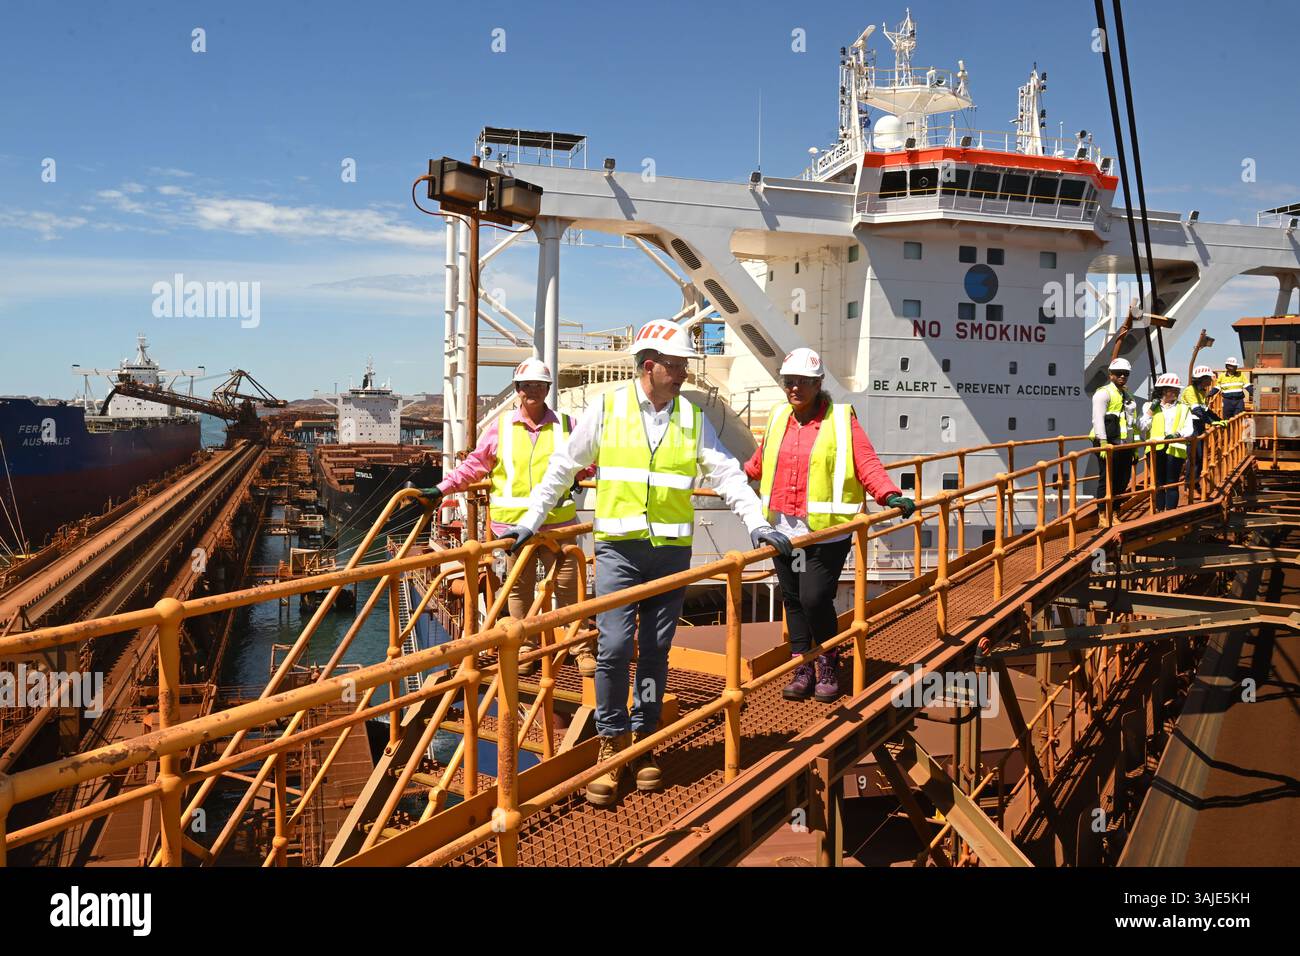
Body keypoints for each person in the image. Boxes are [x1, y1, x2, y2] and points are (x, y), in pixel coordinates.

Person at [496, 319, 793, 806]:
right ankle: (611, 744)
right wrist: (530, 521)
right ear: (649, 366)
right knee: (613, 647)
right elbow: (563, 467)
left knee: (655, 650)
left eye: (683, 366)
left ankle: (645, 738)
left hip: (671, 553)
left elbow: (727, 475)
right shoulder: (607, 410)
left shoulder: (692, 418)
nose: (682, 375)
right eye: (675, 366)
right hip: (619, 549)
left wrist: (758, 522)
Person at [743, 348, 913, 703]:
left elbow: (865, 461)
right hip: (783, 529)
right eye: (789, 382)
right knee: (792, 599)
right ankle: (802, 667)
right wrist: (731, 480)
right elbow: (759, 463)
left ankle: (828, 661)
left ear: (819, 384)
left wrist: (889, 494)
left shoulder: (840, 418)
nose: (795, 389)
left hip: (826, 532)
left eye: (804, 382)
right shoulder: (778, 417)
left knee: (815, 597)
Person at [417, 358, 595, 677]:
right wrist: (442, 488)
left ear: (548, 389)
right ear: (517, 390)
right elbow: (474, 466)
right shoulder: (499, 429)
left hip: (557, 522)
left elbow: (589, 459)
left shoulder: (567, 425)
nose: (533, 392)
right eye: (527, 386)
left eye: (539, 386)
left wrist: (581, 473)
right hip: (514, 528)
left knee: (570, 586)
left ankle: (579, 647)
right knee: (518, 588)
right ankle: (524, 647)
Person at [1090, 357, 1141, 523]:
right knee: (1107, 478)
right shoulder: (1103, 393)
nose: (1122, 376)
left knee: (1122, 479)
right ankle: (1103, 515)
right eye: (1118, 373)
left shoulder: (1127, 395)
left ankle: (1114, 512)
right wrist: (1103, 443)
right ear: (1110, 375)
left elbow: (1131, 423)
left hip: (1123, 444)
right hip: (1107, 442)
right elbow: (1098, 419)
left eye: (1125, 374)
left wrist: (1133, 448)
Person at [1141, 372, 1194, 511]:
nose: (1176, 392)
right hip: (1155, 449)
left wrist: (1177, 434)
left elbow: (1189, 429)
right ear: (1163, 390)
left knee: (1171, 482)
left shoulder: (1183, 408)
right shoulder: (1149, 407)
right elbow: (1142, 426)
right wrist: (1151, 410)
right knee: (1158, 482)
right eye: (1173, 389)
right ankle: (1159, 511)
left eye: (1177, 389)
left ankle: (1169, 512)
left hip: (1174, 448)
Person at [1182, 364, 1221, 486]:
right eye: (1209, 378)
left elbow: (1205, 410)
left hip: (1199, 425)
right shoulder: (1190, 391)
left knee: (1200, 455)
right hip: (1190, 425)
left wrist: (1219, 419)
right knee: (1194, 455)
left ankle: (1195, 481)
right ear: (1202, 379)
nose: (1210, 381)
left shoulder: (1202, 392)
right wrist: (1211, 422)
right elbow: (1197, 411)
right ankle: (1189, 483)